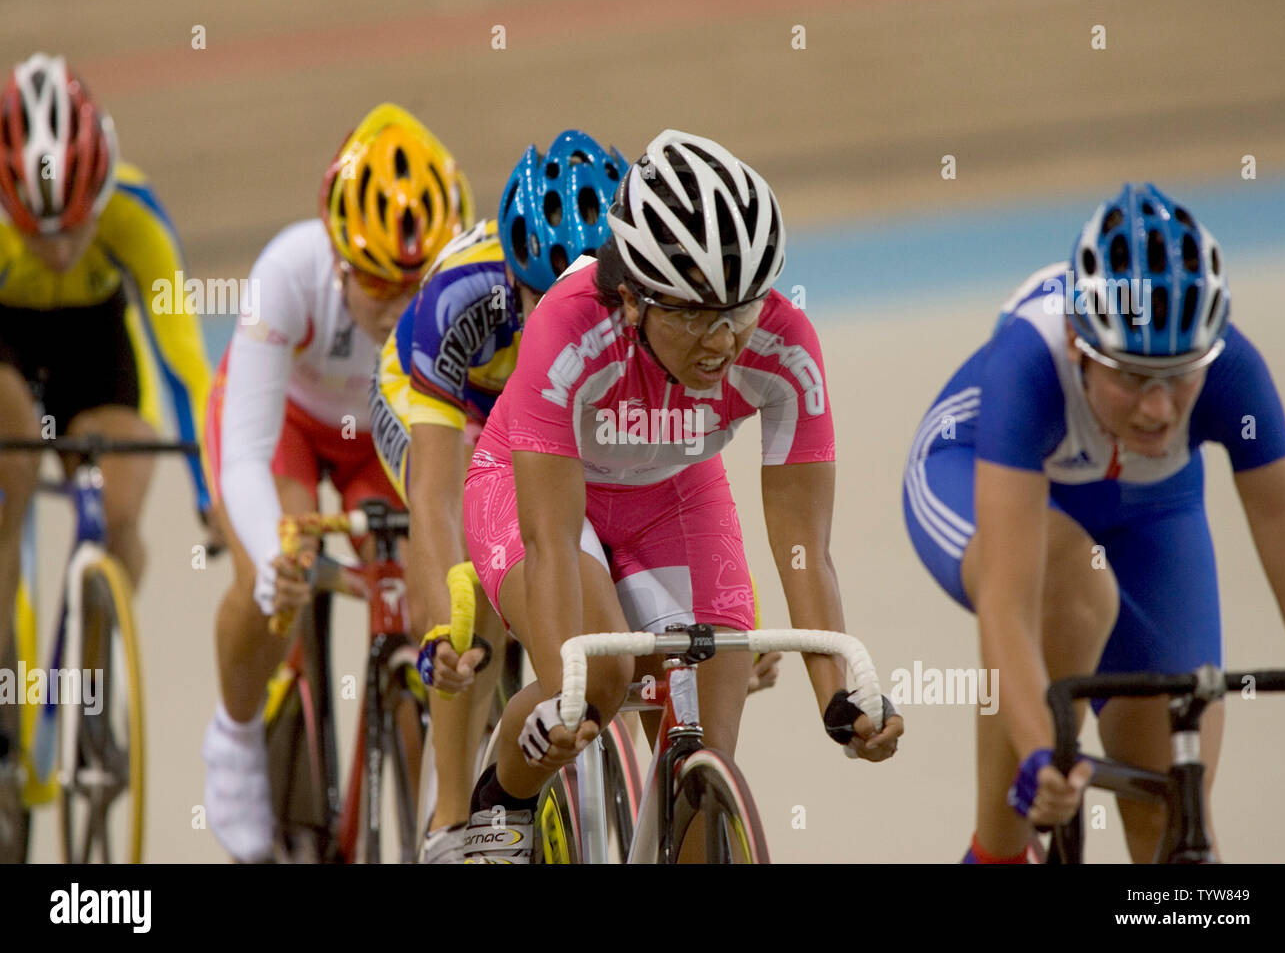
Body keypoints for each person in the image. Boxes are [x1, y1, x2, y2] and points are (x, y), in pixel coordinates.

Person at [457, 129, 904, 862]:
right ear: (631, 299)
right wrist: (567, 689)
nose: (721, 343)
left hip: (674, 496)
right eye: (693, 316)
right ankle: (501, 798)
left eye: (739, 311)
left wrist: (838, 697)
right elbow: (549, 542)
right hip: (538, 487)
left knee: (706, 755)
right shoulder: (568, 328)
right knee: (596, 678)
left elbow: (803, 547)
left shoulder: (784, 347)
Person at [902, 183, 1285, 863]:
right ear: (1082, 349)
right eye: (1132, 376)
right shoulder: (1028, 365)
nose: (1158, 409)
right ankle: (994, 854)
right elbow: (1008, 606)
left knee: (1170, 811)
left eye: (1179, 377)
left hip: (1150, 513)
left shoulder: (1232, 368)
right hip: (973, 474)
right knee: (1070, 584)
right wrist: (1037, 755)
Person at [199, 103, 472, 862]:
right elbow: (245, 459)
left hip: (381, 437)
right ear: (338, 260)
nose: (399, 309)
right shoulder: (289, 269)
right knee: (272, 574)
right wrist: (280, 560)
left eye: (415, 289)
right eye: (379, 287)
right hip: (283, 426)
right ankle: (235, 738)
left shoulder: (463, 287)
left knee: (426, 593)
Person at [369, 129, 629, 863]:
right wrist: (437, 628)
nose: (561, 321)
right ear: (514, 277)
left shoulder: (633, 300)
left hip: (536, 410)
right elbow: (436, 501)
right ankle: (452, 820)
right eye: (541, 301)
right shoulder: (461, 298)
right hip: (445, 402)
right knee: (475, 583)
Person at [0, 53, 213, 758]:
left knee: (121, 511)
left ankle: (89, 687)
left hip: (95, 356)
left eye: (74, 228)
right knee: (14, 470)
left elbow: (182, 362)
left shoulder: (134, 210)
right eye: (37, 233)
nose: (57, 249)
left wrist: (208, 490)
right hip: (8, 348)